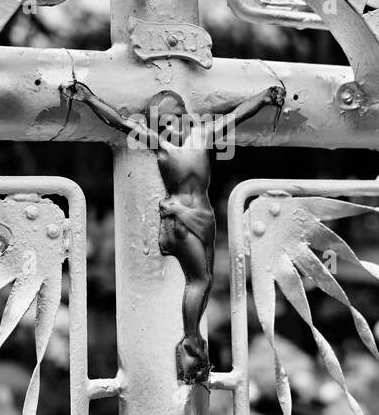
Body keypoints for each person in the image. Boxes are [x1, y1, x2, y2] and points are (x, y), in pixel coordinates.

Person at [61, 80, 285, 383]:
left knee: (205, 280)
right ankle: (191, 342)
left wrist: (263, 97)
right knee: (199, 280)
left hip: (204, 216)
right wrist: (88, 98)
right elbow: (121, 122)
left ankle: (193, 342)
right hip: (180, 218)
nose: (175, 125)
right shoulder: (161, 145)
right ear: (158, 125)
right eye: (166, 121)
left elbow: (237, 116)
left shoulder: (204, 136)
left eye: (179, 117)